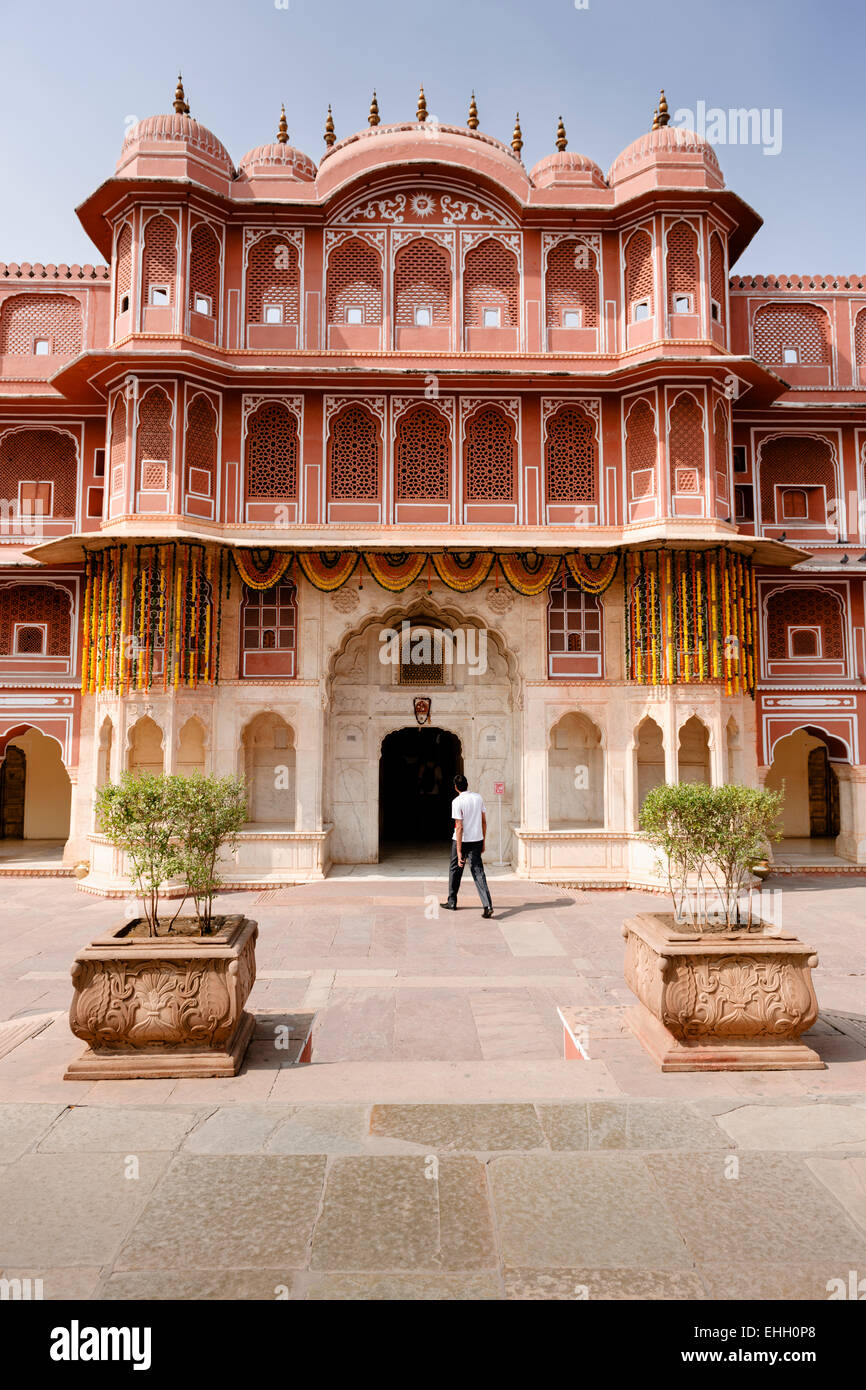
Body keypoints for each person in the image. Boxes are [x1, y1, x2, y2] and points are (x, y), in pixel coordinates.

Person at [441, 773, 494, 918]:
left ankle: (452, 901)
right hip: (476, 840)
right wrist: (483, 841)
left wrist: (458, 852)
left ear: (456, 787)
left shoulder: (457, 801)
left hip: (462, 841)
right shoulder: (478, 798)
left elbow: (459, 827)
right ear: (467, 784)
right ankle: (487, 905)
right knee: (478, 872)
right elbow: (484, 821)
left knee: (455, 870)